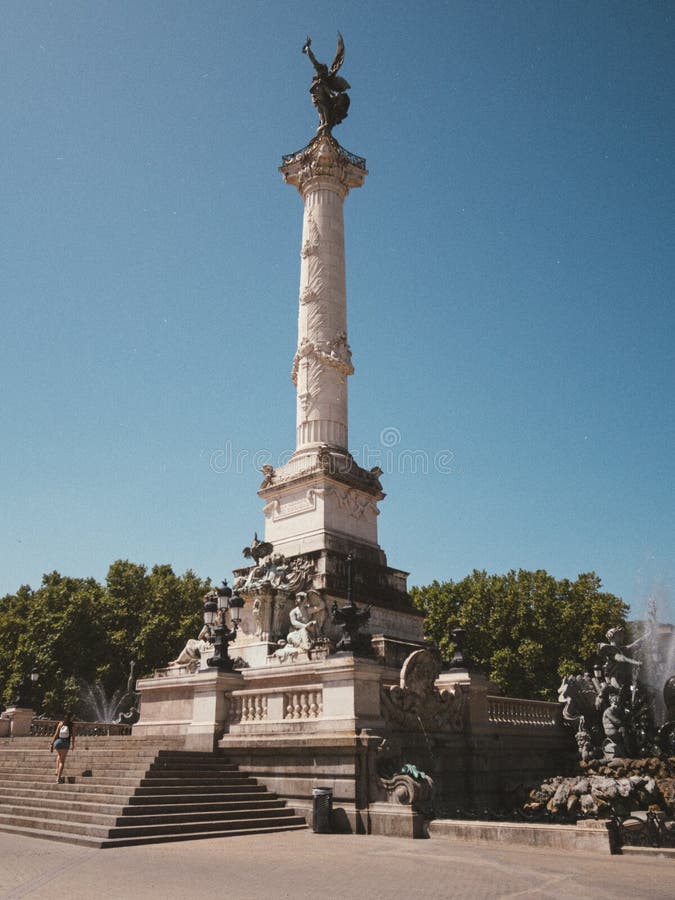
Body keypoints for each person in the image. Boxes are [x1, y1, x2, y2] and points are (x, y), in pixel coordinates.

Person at [50, 712, 75, 783]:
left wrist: (52, 743)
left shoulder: (60, 723)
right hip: (65, 743)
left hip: (58, 742)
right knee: (62, 761)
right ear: (71, 717)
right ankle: (58, 778)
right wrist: (73, 744)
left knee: (59, 755)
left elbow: (56, 734)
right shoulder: (72, 725)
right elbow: (73, 736)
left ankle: (56, 770)